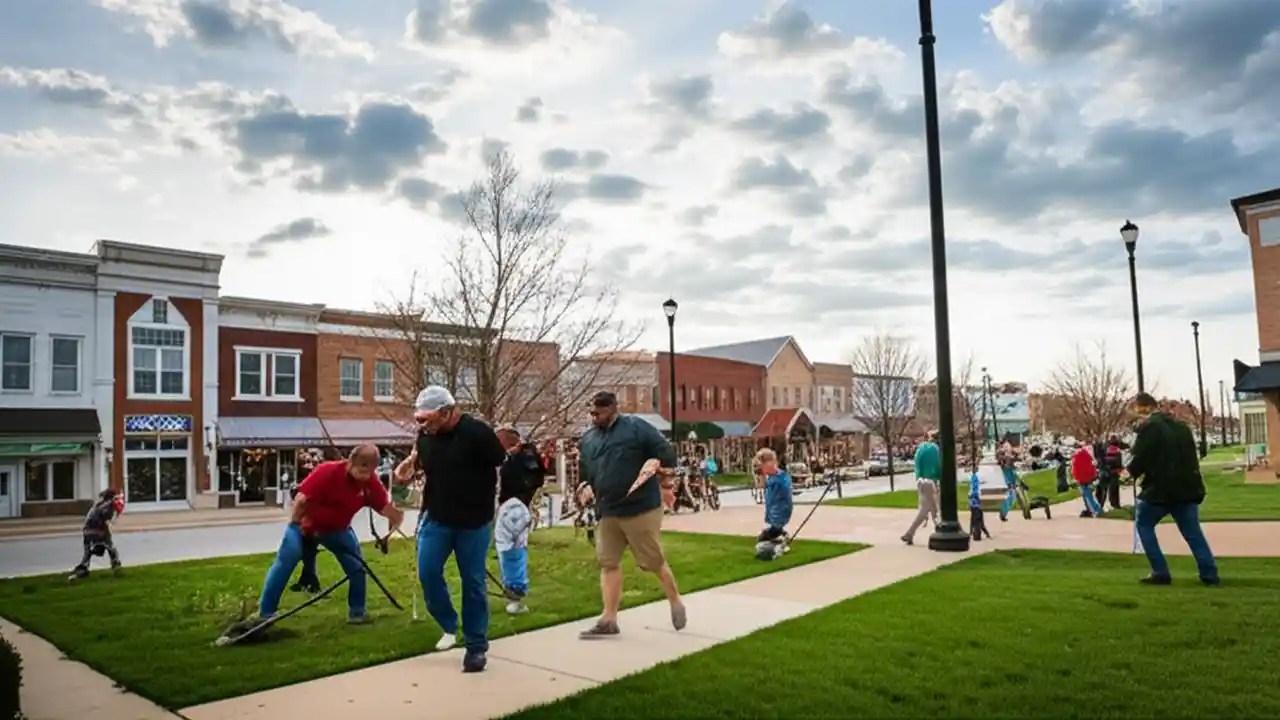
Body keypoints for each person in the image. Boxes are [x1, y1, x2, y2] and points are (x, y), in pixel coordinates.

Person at [396, 386, 506, 673]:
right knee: (428, 572)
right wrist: (409, 467)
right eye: (417, 419)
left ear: (447, 412)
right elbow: (420, 457)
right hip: (437, 517)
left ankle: (476, 647)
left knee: (473, 583)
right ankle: (448, 623)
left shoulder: (478, 433)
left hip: (474, 521)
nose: (420, 425)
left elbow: (500, 461)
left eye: (425, 419)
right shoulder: (426, 436)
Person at [576, 391, 686, 639]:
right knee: (608, 562)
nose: (595, 418)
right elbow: (586, 471)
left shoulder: (636, 428)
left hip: (640, 508)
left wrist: (664, 478)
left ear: (613, 408)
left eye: (599, 413)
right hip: (607, 510)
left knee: (653, 562)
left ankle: (675, 601)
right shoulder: (589, 439)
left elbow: (666, 452)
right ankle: (609, 619)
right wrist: (585, 487)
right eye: (592, 413)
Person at [255, 445, 404, 626]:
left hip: (338, 531)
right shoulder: (327, 471)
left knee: (357, 568)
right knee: (287, 559)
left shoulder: (371, 484)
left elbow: (386, 509)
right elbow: (301, 500)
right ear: (350, 463)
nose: (364, 476)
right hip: (303, 526)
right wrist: (295, 526)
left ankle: (357, 613)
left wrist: (395, 522)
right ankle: (265, 614)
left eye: (369, 471)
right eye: (361, 470)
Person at [1124, 393, 1219, 586]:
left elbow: (1141, 457)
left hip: (1161, 489)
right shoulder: (1182, 427)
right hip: (1188, 487)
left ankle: (1160, 571)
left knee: (1144, 524)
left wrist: (1129, 473)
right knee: (1193, 532)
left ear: (1143, 408)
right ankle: (1209, 574)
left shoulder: (1150, 428)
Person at [493, 425, 545, 615]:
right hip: (520, 507)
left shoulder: (514, 459)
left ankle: (515, 595)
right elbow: (539, 478)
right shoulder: (528, 457)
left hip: (512, 507)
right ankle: (516, 595)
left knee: (510, 552)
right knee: (515, 550)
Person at [69, 488, 125, 580]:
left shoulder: (99, 504)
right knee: (111, 548)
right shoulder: (108, 506)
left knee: (88, 552)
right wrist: (111, 529)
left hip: (87, 531)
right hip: (98, 531)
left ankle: (83, 569)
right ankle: (116, 566)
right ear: (112, 498)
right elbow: (107, 522)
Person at [901, 430, 941, 545]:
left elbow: (917, 463)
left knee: (930, 510)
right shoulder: (935, 449)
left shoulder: (921, 448)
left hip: (920, 481)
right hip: (931, 481)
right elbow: (938, 466)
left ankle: (910, 534)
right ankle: (940, 530)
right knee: (930, 510)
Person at [756, 448, 793, 543]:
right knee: (771, 532)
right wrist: (762, 475)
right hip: (774, 511)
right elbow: (763, 485)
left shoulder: (781, 478)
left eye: (763, 465)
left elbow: (785, 493)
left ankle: (779, 537)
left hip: (779, 511)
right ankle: (780, 535)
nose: (763, 468)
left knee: (764, 538)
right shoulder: (774, 478)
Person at [1071, 442, 1104, 518]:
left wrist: (1075, 478)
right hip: (1089, 477)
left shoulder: (1076, 457)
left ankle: (1096, 510)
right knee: (1088, 495)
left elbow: (1075, 469)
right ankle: (1093, 509)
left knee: (1087, 495)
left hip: (1082, 479)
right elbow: (1092, 465)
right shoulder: (1086, 454)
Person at [997, 441, 1023, 522]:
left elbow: (1018, 458)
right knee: (1010, 497)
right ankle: (1003, 513)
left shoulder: (1008, 459)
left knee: (1011, 498)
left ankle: (1003, 513)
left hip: (1010, 478)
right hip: (1007, 480)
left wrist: (1013, 453)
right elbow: (1004, 459)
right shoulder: (1003, 458)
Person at [967, 470, 991, 541]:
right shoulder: (976, 478)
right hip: (976, 503)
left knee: (974, 518)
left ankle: (973, 532)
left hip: (974, 503)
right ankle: (977, 533)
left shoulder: (974, 478)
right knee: (978, 519)